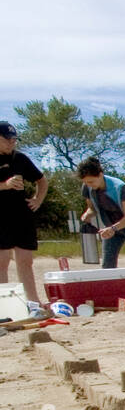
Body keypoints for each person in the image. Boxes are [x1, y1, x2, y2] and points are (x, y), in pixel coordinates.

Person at [0, 120, 49, 304]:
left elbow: (42, 181)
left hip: (21, 215)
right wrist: (5, 185)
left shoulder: (19, 158)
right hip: (0, 216)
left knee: (26, 260)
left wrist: (38, 200)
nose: (12, 143)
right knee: (1, 261)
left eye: (14, 139)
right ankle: (4, 306)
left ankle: (34, 303)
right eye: (7, 139)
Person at [77, 157, 125, 269]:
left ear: (100, 175)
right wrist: (87, 215)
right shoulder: (87, 187)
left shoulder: (119, 187)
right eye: (86, 182)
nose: (88, 185)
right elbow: (92, 208)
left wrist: (112, 229)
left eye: (91, 181)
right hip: (110, 227)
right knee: (107, 266)